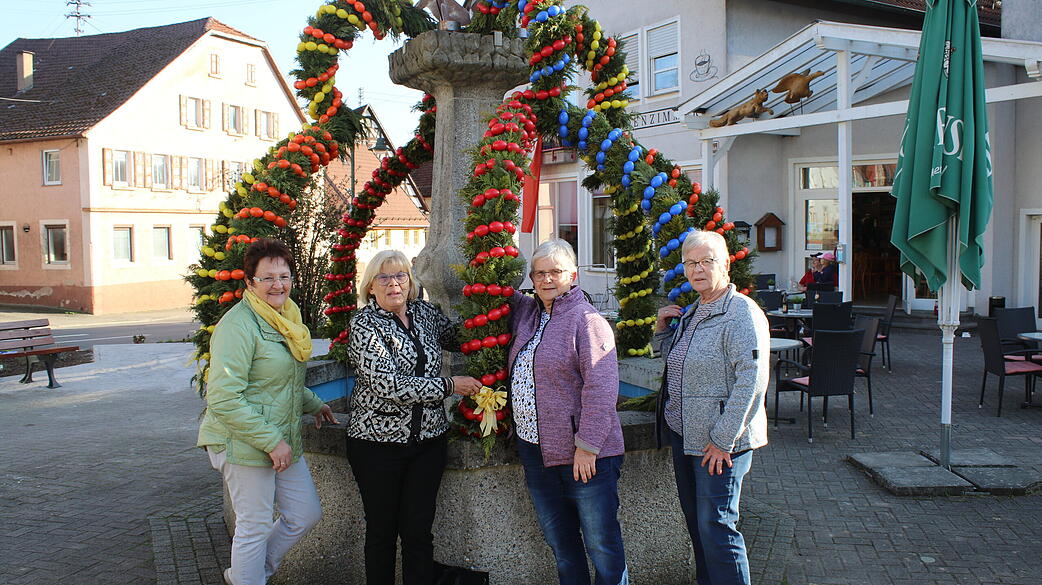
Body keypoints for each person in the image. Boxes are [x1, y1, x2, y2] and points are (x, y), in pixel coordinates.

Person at [197, 238, 339, 585]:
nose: (278, 285)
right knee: (254, 526)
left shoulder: (286, 317)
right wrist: (271, 441)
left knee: (304, 514)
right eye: (268, 278)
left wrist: (314, 404)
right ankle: (249, 577)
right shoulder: (238, 326)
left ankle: (249, 574)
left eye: (284, 276)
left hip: (278, 435)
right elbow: (223, 398)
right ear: (250, 282)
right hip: (242, 441)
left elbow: (281, 382)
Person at [345, 249, 482, 585]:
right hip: (377, 445)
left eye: (400, 275)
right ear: (370, 286)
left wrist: (501, 310)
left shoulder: (425, 313)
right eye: (384, 277)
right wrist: (450, 385)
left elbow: (463, 337)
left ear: (410, 281)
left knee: (418, 532)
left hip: (428, 444)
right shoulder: (364, 324)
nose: (394, 283)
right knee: (382, 532)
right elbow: (388, 384)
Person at [507, 238, 628, 585]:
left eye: (555, 272)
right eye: (539, 273)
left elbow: (602, 388)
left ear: (572, 275)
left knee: (602, 547)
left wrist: (587, 447)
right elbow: (498, 286)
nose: (547, 279)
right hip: (535, 452)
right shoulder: (530, 313)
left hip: (583, 456)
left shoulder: (587, 321)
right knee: (562, 546)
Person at [654, 230, 770, 585]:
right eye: (690, 263)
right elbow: (678, 362)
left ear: (726, 265)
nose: (698, 269)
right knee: (699, 527)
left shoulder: (740, 313)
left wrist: (723, 440)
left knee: (717, 527)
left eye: (707, 261)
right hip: (686, 436)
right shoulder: (695, 310)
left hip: (719, 445)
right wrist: (662, 330)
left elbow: (752, 380)